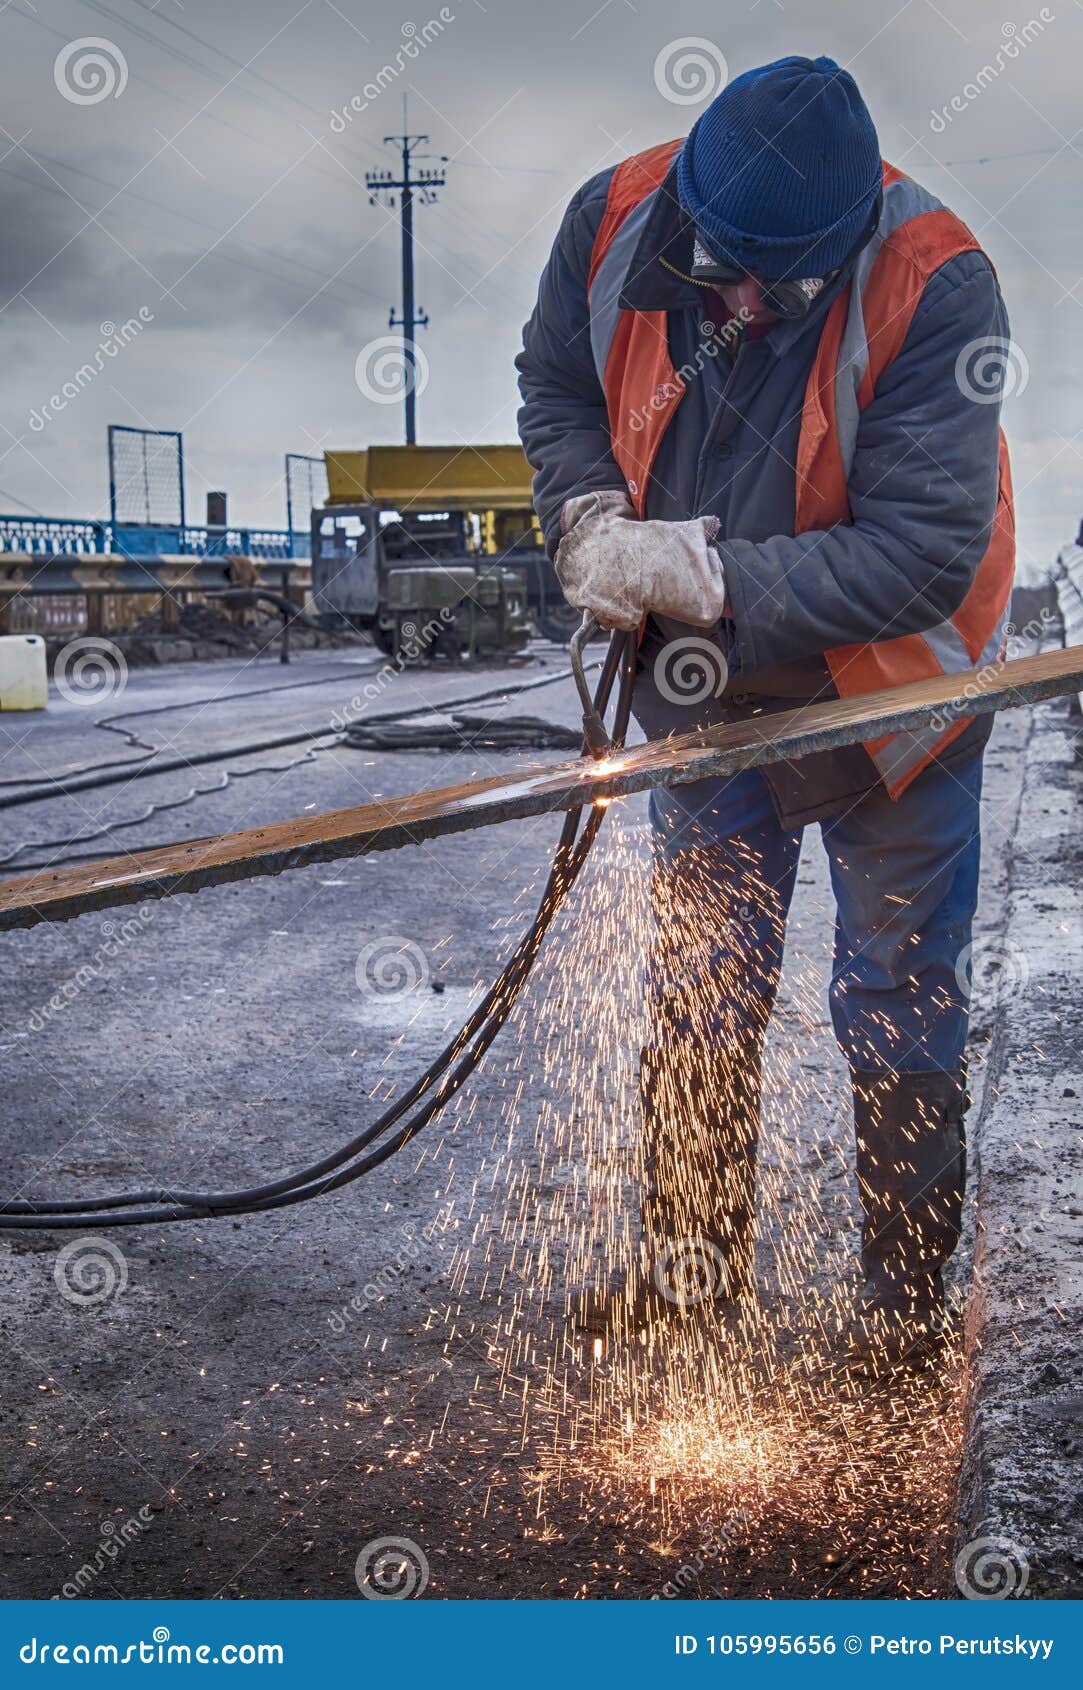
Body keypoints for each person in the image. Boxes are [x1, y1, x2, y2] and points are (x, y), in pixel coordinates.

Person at [516, 55, 1014, 1373]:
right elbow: (558, 387)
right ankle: (691, 1286)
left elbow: (923, 552)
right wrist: (587, 517)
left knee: (894, 990)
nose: (736, 303)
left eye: (772, 289)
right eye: (718, 268)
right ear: (689, 200)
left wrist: (714, 576)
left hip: (894, 691)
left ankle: (904, 1323)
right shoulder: (617, 221)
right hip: (707, 678)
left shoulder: (939, 284)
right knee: (701, 986)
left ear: (845, 239)